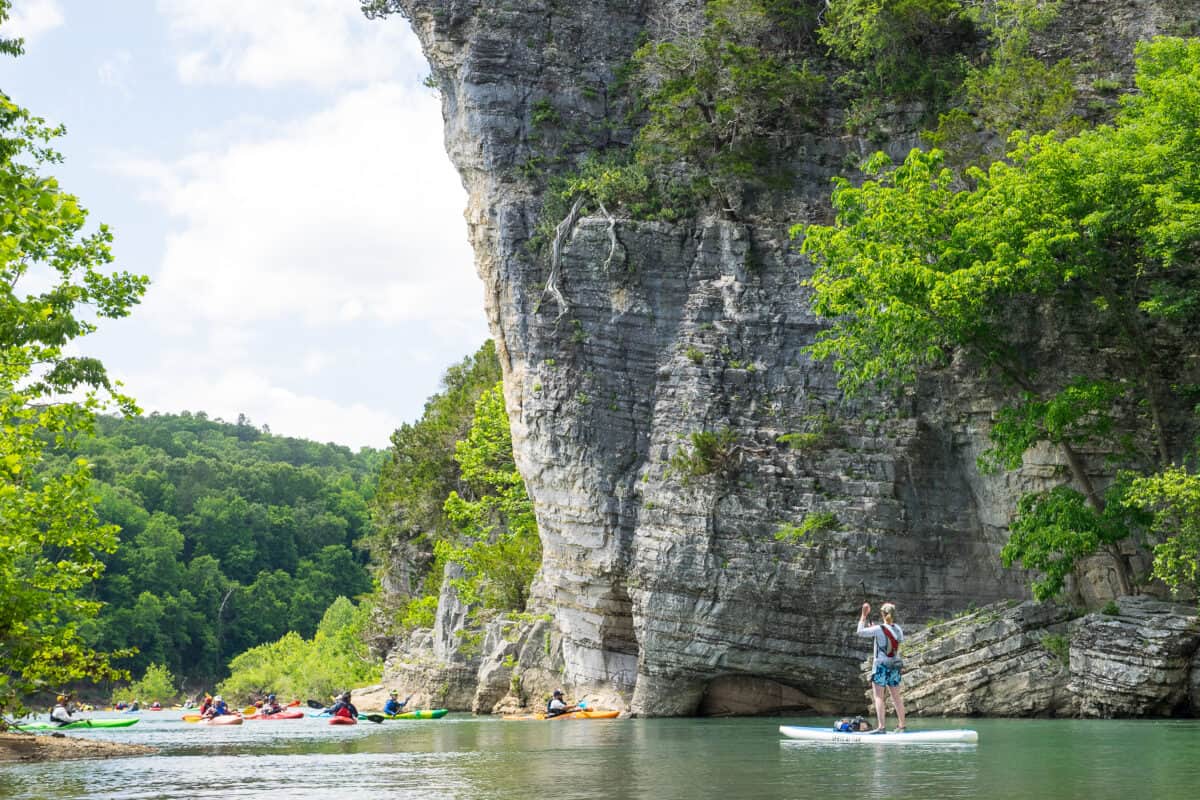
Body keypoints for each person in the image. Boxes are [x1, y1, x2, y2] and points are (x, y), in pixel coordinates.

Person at [857, 601, 907, 733]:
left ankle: (881, 727)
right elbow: (894, 639)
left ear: (882, 614)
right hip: (894, 666)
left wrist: (864, 615)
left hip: (881, 666)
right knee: (896, 697)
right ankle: (902, 726)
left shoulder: (879, 629)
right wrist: (876, 630)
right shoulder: (898, 629)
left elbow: (860, 632)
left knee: (879, 697)